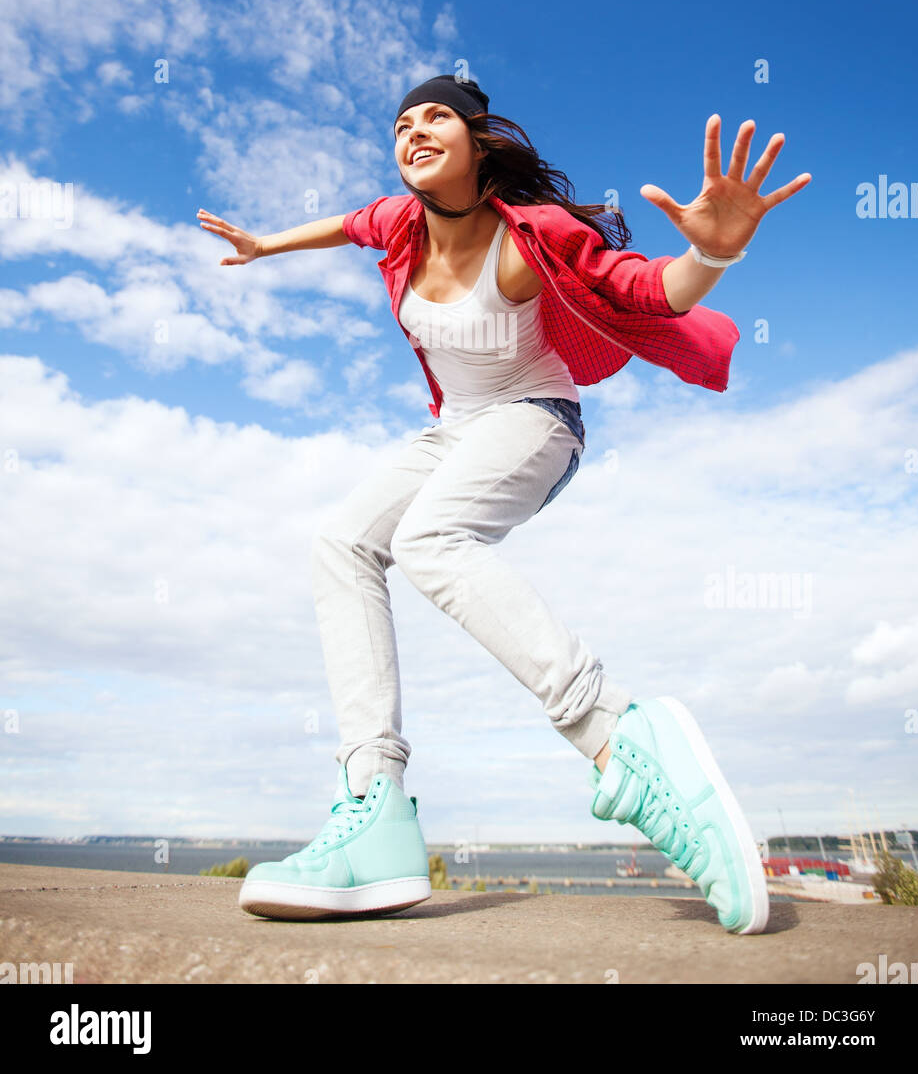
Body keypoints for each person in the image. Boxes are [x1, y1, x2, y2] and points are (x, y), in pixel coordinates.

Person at [196, 74, 811, 933]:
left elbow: (642, 289)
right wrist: (264, 246)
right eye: (401, 123)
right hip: (454, 429)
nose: (413, 130)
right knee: (340, 541)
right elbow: (343, 224)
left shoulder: (532, 236)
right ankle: (374, 803)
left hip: (536, 419)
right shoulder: (398, 221)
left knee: (431, 540)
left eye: (434, 116)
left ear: (477, 141)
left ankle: (617, 737)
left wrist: (711, 253)